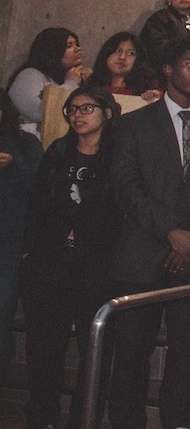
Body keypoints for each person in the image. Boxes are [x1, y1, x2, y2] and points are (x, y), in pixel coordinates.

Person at [107, 36, 190, 429]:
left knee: (187, 352)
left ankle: (178, 421)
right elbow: (126, 187)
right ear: (168, 69)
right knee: (131, 352)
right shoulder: (133, 124)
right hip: (142, 254)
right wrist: (170, 232)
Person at [21, 87, 122, 429]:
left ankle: (84, 420)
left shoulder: (118, 157)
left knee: (95, 353)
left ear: (107, 113)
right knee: (44, 350)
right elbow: (37, 203)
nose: (78, 115)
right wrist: (31, 251)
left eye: (86, 108)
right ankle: (42, 417)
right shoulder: (58, 151)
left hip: (97, 267)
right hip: (50, 265)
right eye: (72, 109)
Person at [0, 88, 42, 391]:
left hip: (10, 248)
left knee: (1, 318)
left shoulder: (25, 142)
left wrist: (13, 167)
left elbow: (42, 188)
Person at [8, 27, 90, 137]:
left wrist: (90, 83)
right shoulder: (29, 75)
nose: (77, 49)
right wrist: (71, 83)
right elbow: (39, 113)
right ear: (52, 51)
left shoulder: (66, 80)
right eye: (69, 46)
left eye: (76, 44)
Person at [84, 31, 162, 100]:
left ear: (137, 60)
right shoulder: (91, 86)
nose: (122, 57)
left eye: (130, 53)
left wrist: (153, 99)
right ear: (106, 53)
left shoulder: (147, 89)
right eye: (118, 51)